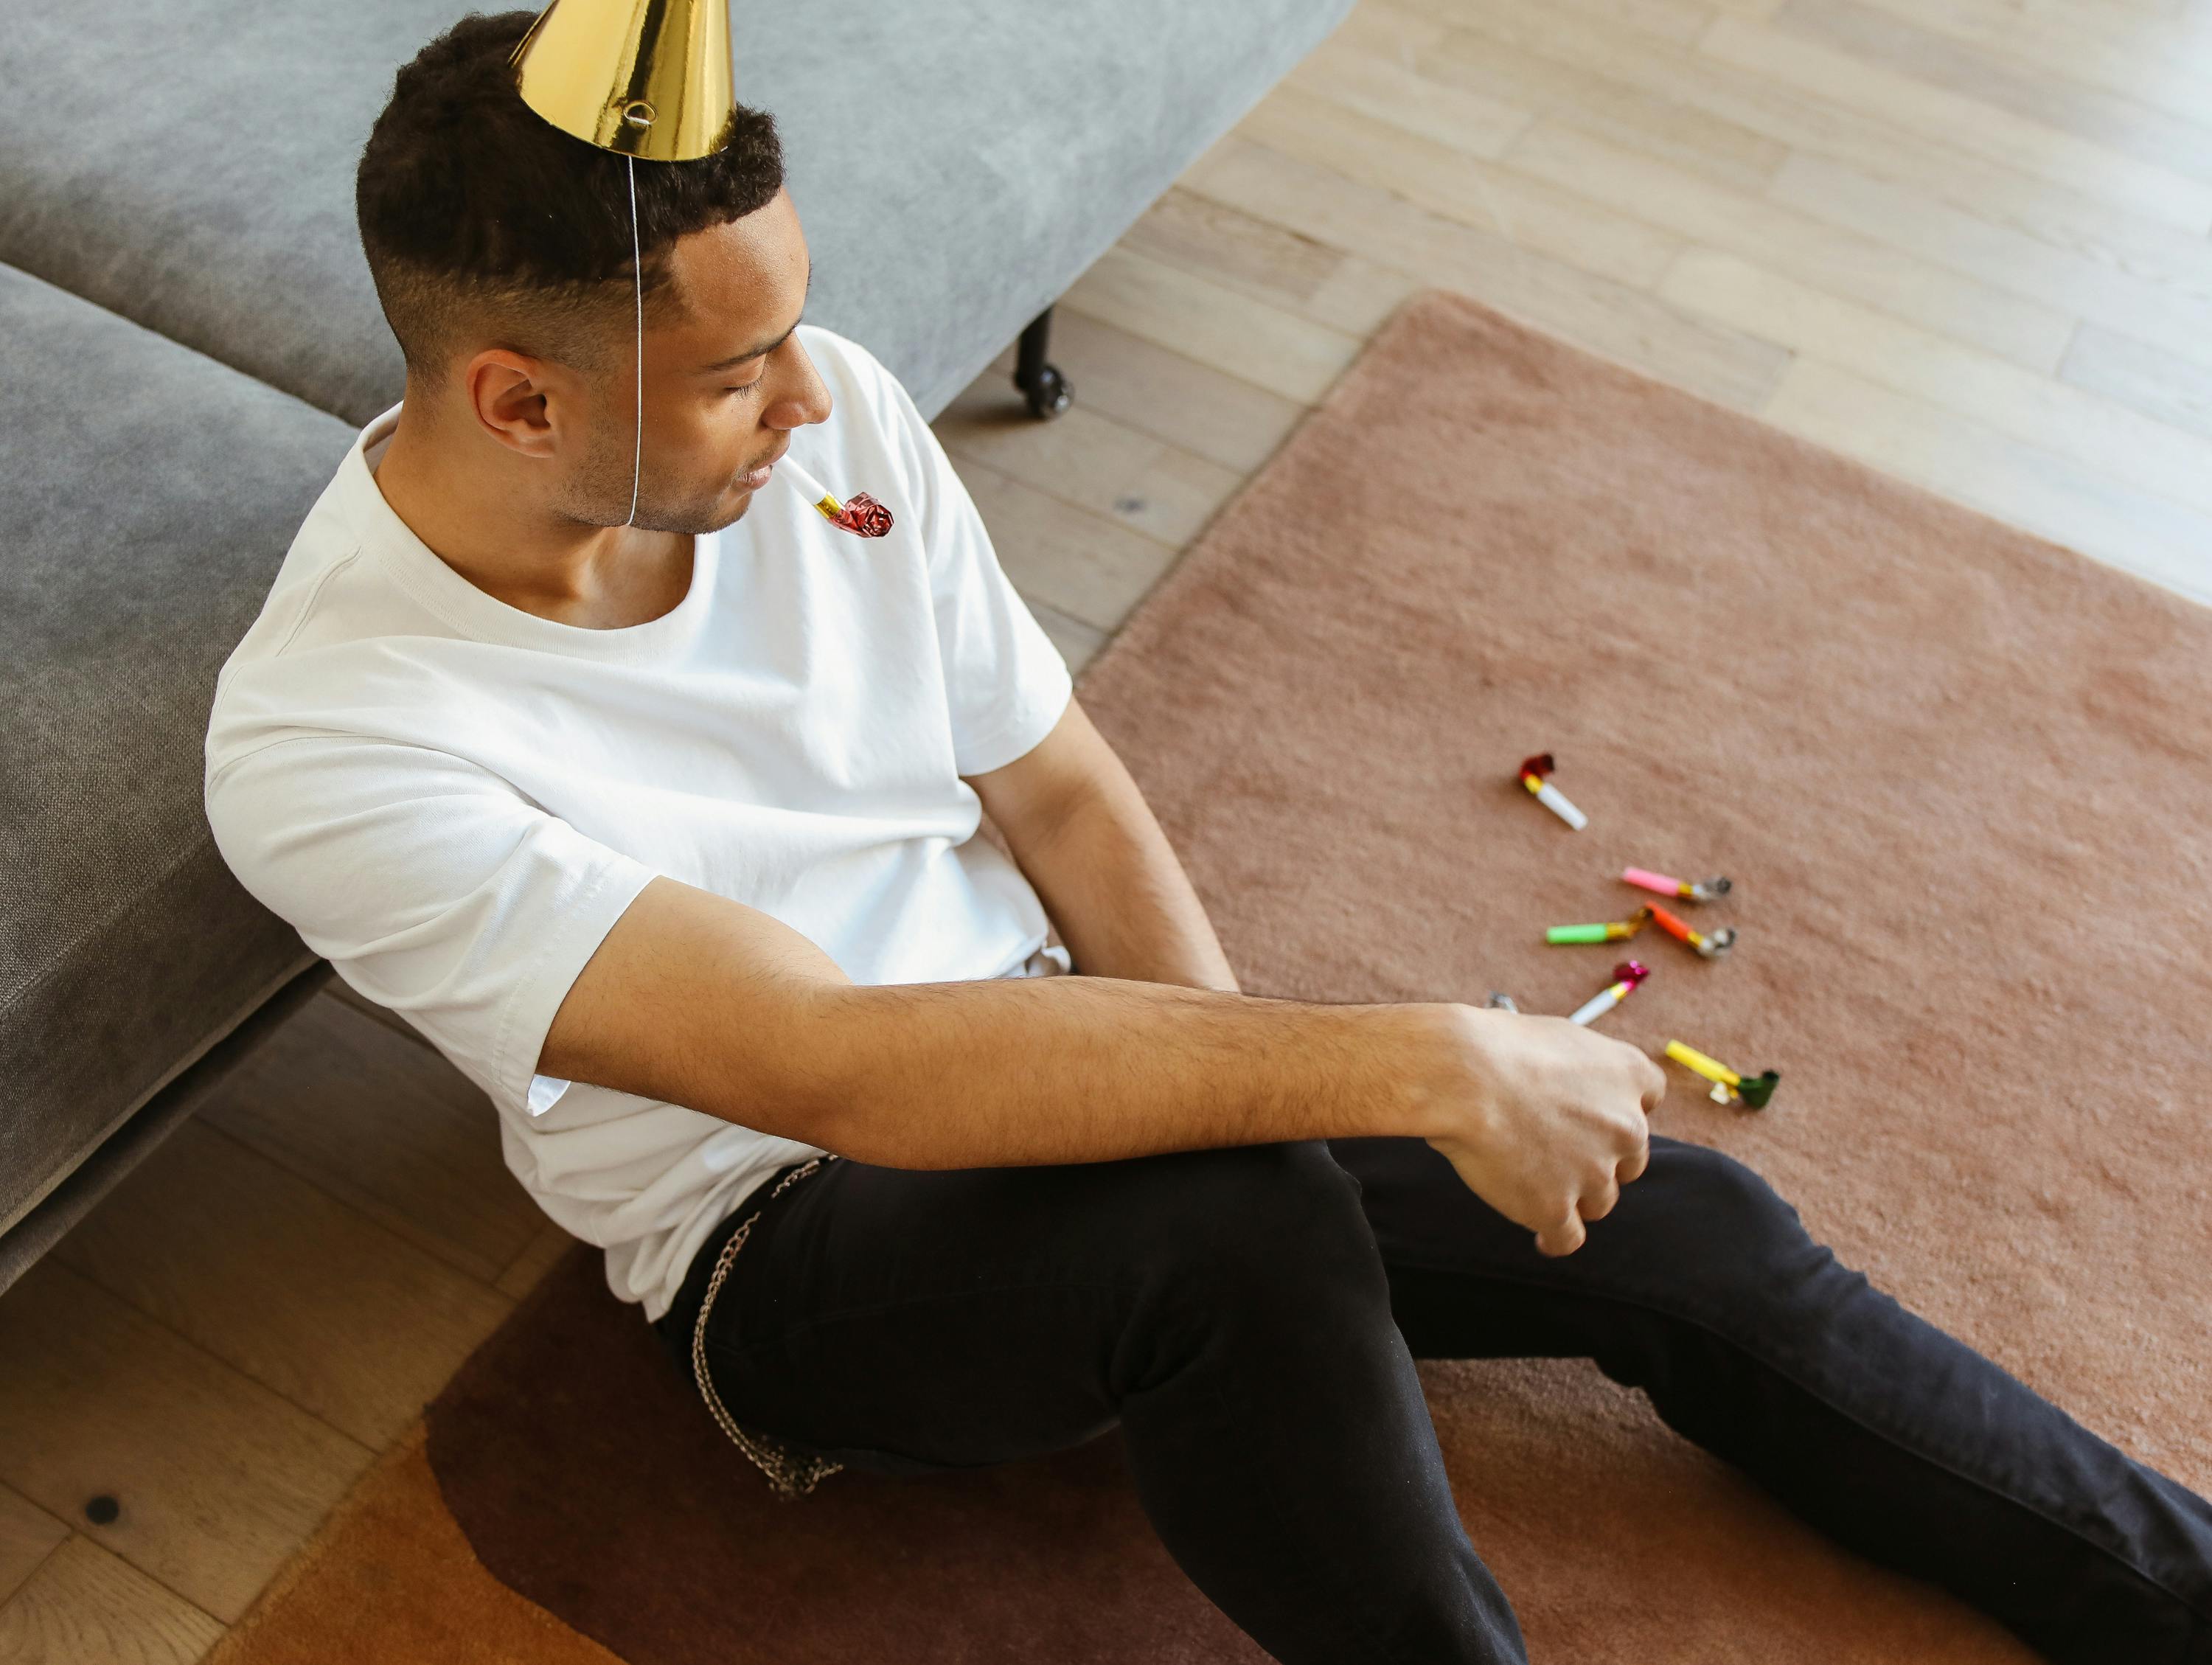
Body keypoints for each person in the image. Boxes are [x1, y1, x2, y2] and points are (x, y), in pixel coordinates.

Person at [201, 13, 2212, 1664]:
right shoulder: (337, 741)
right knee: (1234, 1236)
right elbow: (842, 1066)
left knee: (1696, 1233)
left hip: (1050, 1052)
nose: (819, 399)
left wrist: (1262, 1107)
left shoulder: (836, 426)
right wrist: (1399, 1068)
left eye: (799, 330)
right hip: (792, 1235)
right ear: (516, 401)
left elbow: (1057, 784)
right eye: (736, 376)